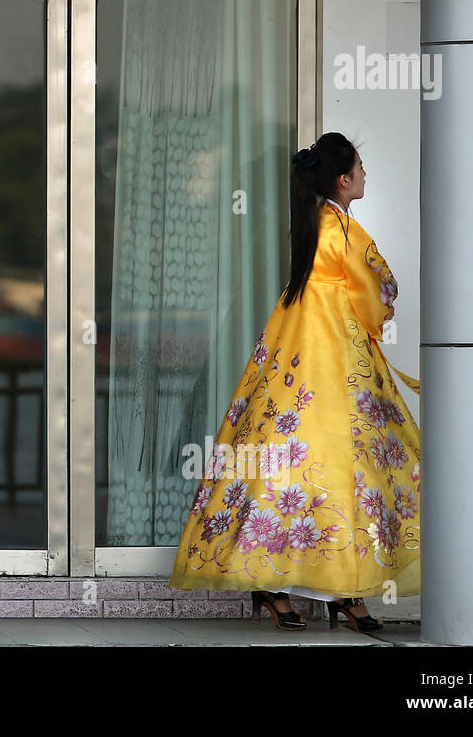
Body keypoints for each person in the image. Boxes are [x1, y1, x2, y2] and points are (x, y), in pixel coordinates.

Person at [168, 132, 422, 634]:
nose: (366, 176)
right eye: (361, 168)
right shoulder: (344, 230)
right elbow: (380, 289)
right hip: (335, 344)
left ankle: (279, 585)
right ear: (344, 180)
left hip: (297, 335)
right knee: (347, 457)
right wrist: (381, 307)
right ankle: (344, 591)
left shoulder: (315, 223)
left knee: (286, 448)